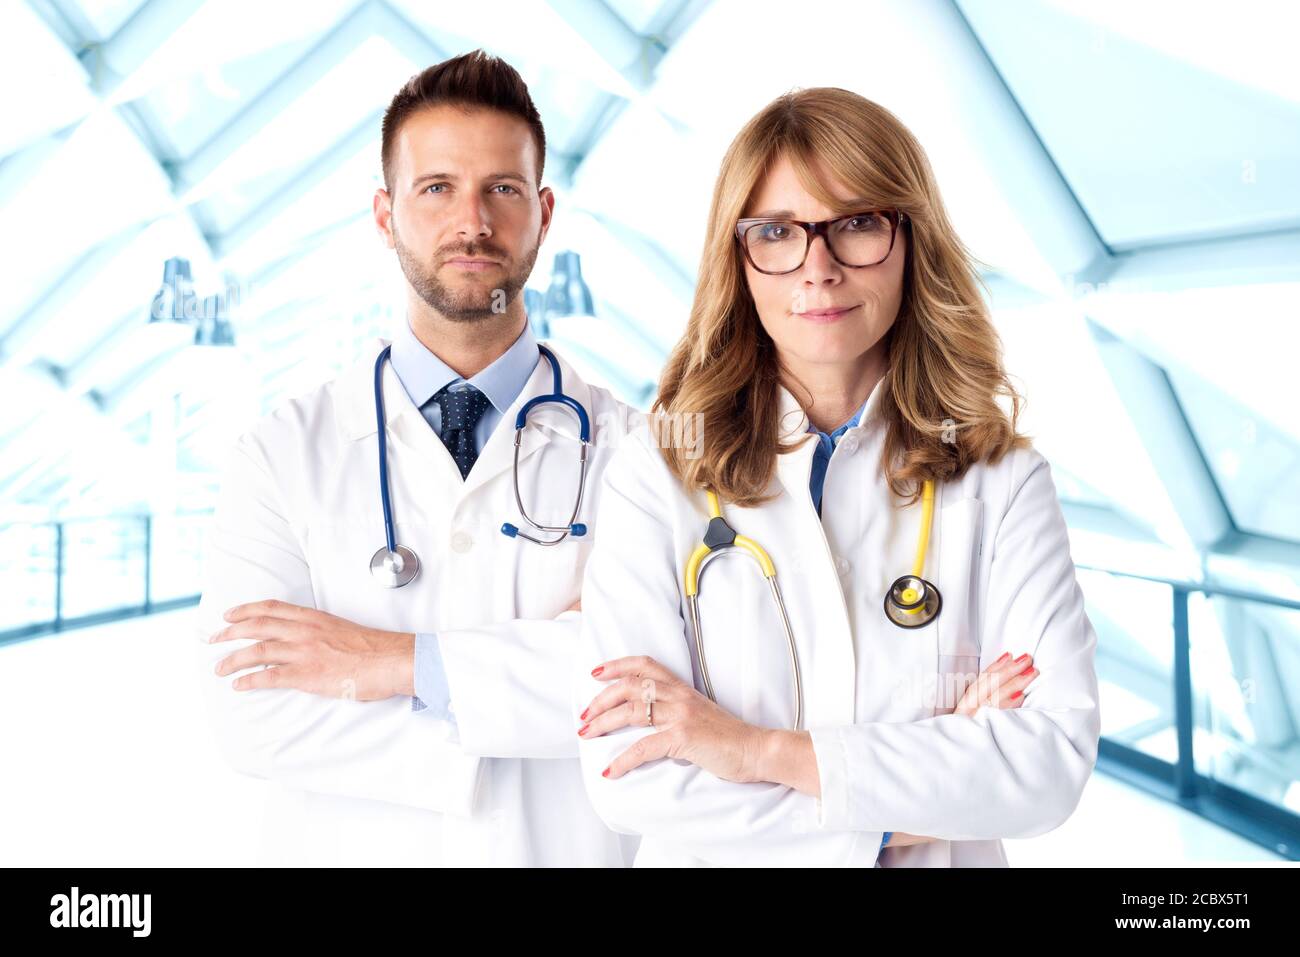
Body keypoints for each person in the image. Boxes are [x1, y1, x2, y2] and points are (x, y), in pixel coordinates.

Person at [572, 87, 1101, 867]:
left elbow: (1046, 765)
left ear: (911, 240)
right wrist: (935, 778)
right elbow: (629, 777)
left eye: (856, 224)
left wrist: (753, 751)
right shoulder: (654, 473)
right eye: (778, 232)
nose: (816, 269)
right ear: (738, 258)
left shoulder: (1003, 479)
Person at [197, 50, 639, 866]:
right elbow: (249, 710)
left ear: (544, 212)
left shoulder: (636, 454)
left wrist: (394, 664)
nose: (472, 222)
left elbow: (648, 681)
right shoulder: (280, 454)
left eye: (502, 190)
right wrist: (523, 695)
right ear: (384, 213)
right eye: (436, 188)